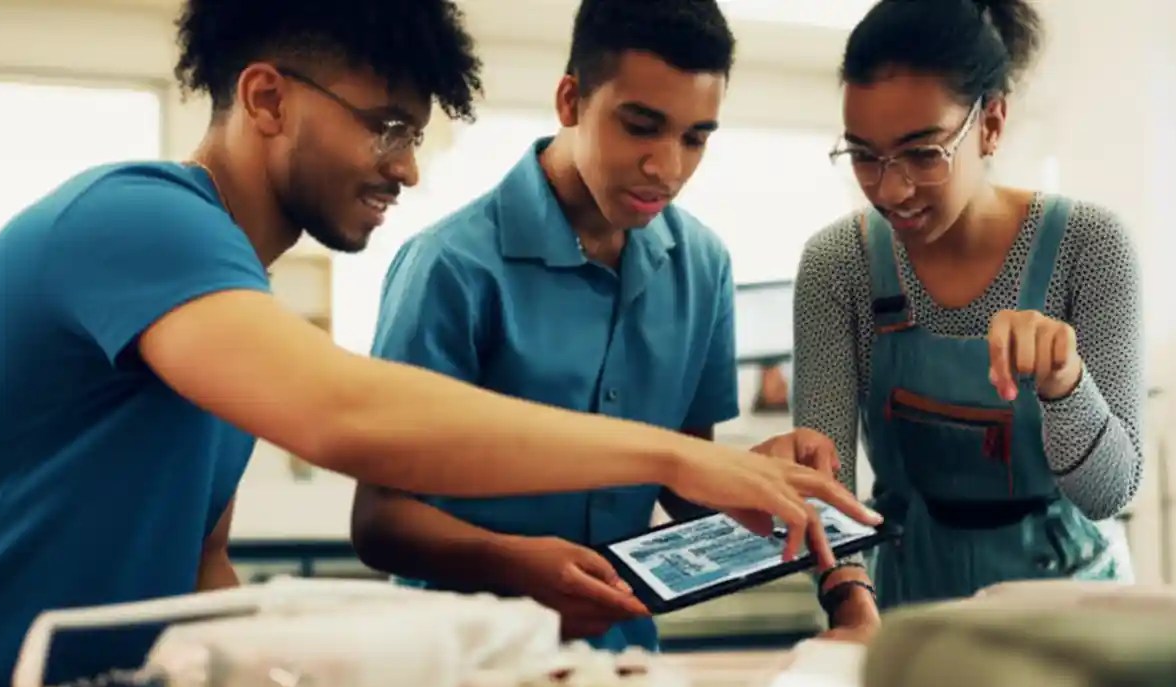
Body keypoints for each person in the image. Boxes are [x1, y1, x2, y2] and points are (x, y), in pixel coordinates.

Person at [0, 0, 879, 687]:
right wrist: (672, 452)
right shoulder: (133, 218)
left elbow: (203, 565)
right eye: (388, 125)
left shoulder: (222, 292)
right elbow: (344, 414)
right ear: (266, 98)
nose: (406, 167)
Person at [354, 0, 882, 651]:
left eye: (695, 138)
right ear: (571, 100)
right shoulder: (450, 267)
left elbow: (682, 488)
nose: (668, 168)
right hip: (466, 658)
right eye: (640, 127)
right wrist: (514, 567)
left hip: (624, 658)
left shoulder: (704, 266)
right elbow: (379, 521)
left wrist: (754, 475)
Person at [793, 0, 1144, 613]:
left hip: (1075, 612)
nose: (890, 189)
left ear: (991, 124)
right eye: (864, 156)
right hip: (913, 605)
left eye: (923, 154)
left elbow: (1108, 493)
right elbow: (829, 496)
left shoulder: (1090, 245)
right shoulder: (837, 265)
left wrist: (1066, 383)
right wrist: (851, 609)